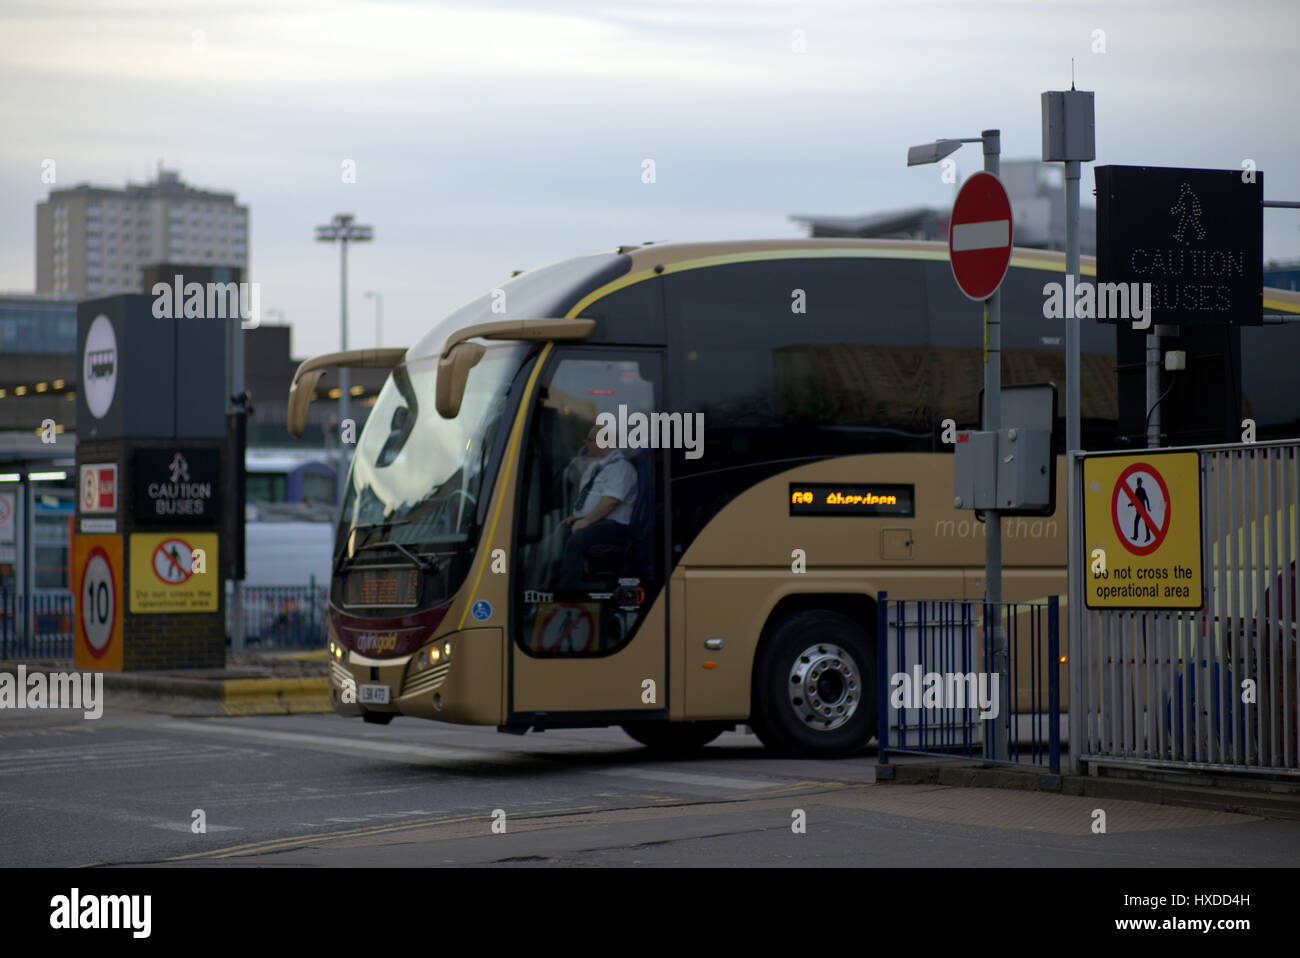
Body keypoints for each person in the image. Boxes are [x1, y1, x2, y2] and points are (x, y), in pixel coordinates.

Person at [558, 424, 637, 589]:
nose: (586, 443)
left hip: (615, 528)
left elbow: (611, 502)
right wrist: (578, 518)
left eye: (589, 440)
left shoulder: (621, 468)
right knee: (560, 534)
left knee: (577, 540)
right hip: (597, 522)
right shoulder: (596, 468)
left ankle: (569, 593)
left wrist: (585, 521)